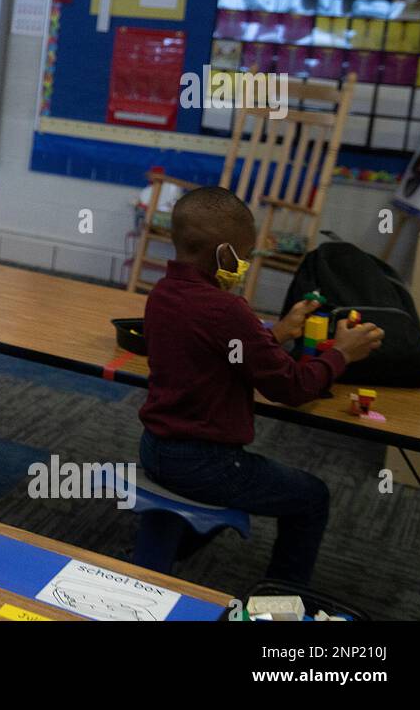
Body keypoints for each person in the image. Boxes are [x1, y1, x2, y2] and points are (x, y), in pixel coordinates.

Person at [138, 187, 384, 584]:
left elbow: (220, 351)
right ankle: (281, 603)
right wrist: (341, 353)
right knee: (311, 497)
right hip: (207, 463)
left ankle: (158, 559)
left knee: (244, 489)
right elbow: (291, 388)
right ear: (223, 255)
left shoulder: (162, 293)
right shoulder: (227, 308)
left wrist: (278, 333)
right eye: (245, 255)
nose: (246, 264)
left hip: (155, 448)